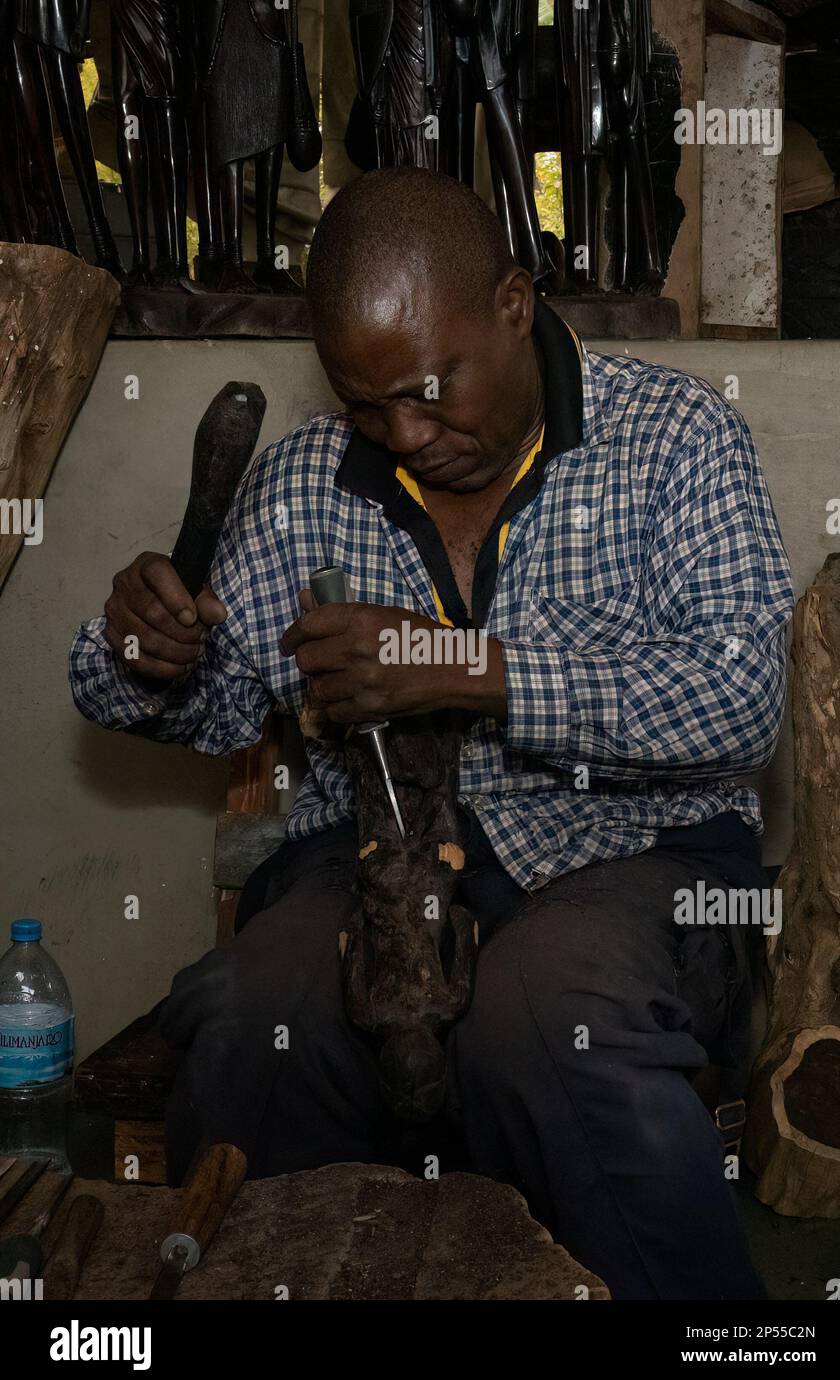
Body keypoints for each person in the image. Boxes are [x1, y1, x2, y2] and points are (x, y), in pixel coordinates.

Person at [69, 167, 794, 1299]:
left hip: (632, 859)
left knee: (547, 1011)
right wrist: (143, 651)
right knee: (264, 1010)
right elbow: (207, 705)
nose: (406, 433)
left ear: (512, 303)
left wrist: (462, 666)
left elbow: (741, 693)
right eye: (365, 405)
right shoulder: (306, 478)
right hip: (368, 851)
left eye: (427, 387)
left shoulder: (672, 437)